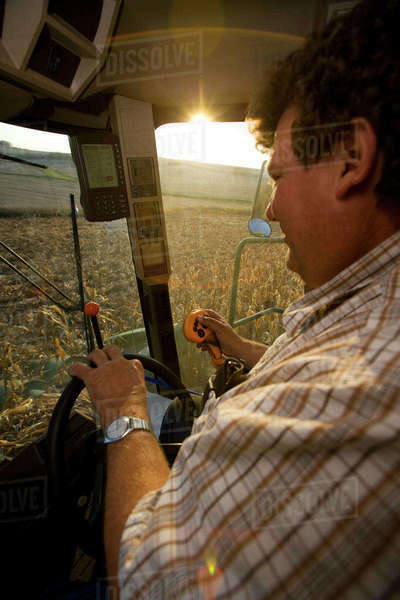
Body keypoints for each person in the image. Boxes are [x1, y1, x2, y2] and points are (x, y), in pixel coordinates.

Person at [70, 1, 400, 597]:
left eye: (278, 177)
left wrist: (122, 411)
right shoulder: (369, 305)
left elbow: (148, 584)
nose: (271, 211)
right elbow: (313, 357)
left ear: (351, 157)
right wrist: (244, 346)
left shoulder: (356, 392)